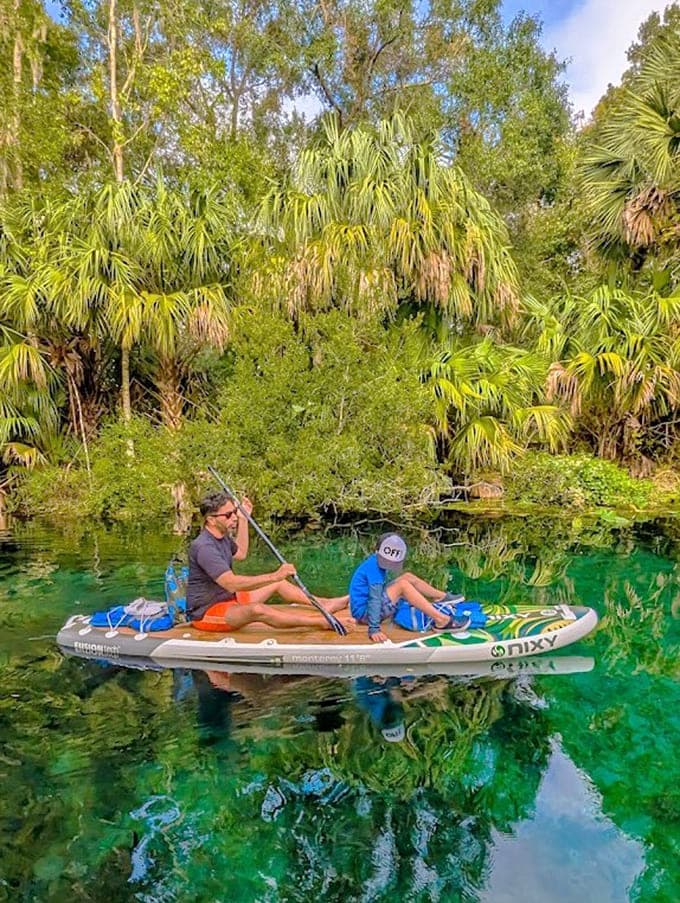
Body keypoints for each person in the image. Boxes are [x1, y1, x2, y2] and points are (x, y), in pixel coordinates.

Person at [186, 491, 349, 632]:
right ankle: (320, 622)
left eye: (235, 512)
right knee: (257, 609)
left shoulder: (221, 536)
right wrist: (274, 575)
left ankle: (323, 603)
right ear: (211, 520)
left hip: (230, 599)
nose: (234, 517)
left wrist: (244, 519)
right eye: (228, 515)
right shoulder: (204, 547)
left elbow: (241, 553)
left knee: (278, 584)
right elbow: (231, 584)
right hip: (207, 612)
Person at [348, 532, 468, 643]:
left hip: (366, 607)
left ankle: (442, 597)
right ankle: (441, 620)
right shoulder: (373, 569)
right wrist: (374, 629)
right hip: (365, 614)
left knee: (407, 577)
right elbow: (374, 599)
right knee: (403, 586)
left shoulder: (375, 561)